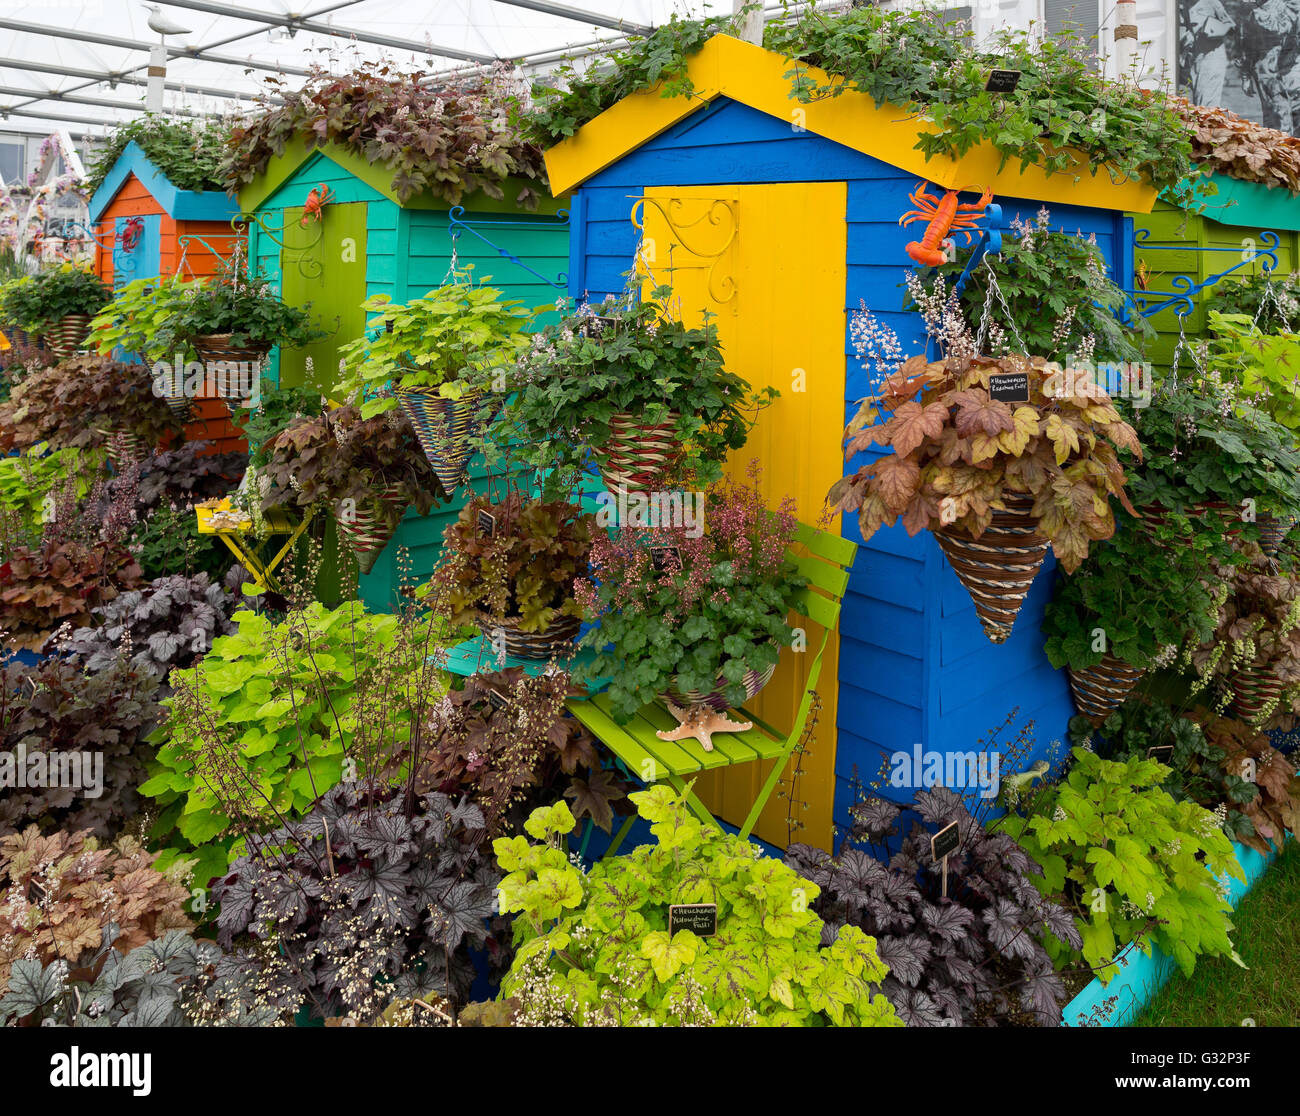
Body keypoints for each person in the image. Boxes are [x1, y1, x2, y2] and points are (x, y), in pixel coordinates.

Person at [1185, 0, 1235, 108]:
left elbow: (1231, 26)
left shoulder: (1212, 2)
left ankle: (1208, 124)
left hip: (1213, 55)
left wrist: (1213, 29)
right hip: (1195, 57)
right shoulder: (1184, 5)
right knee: (1198, 100)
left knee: (1207, 102)